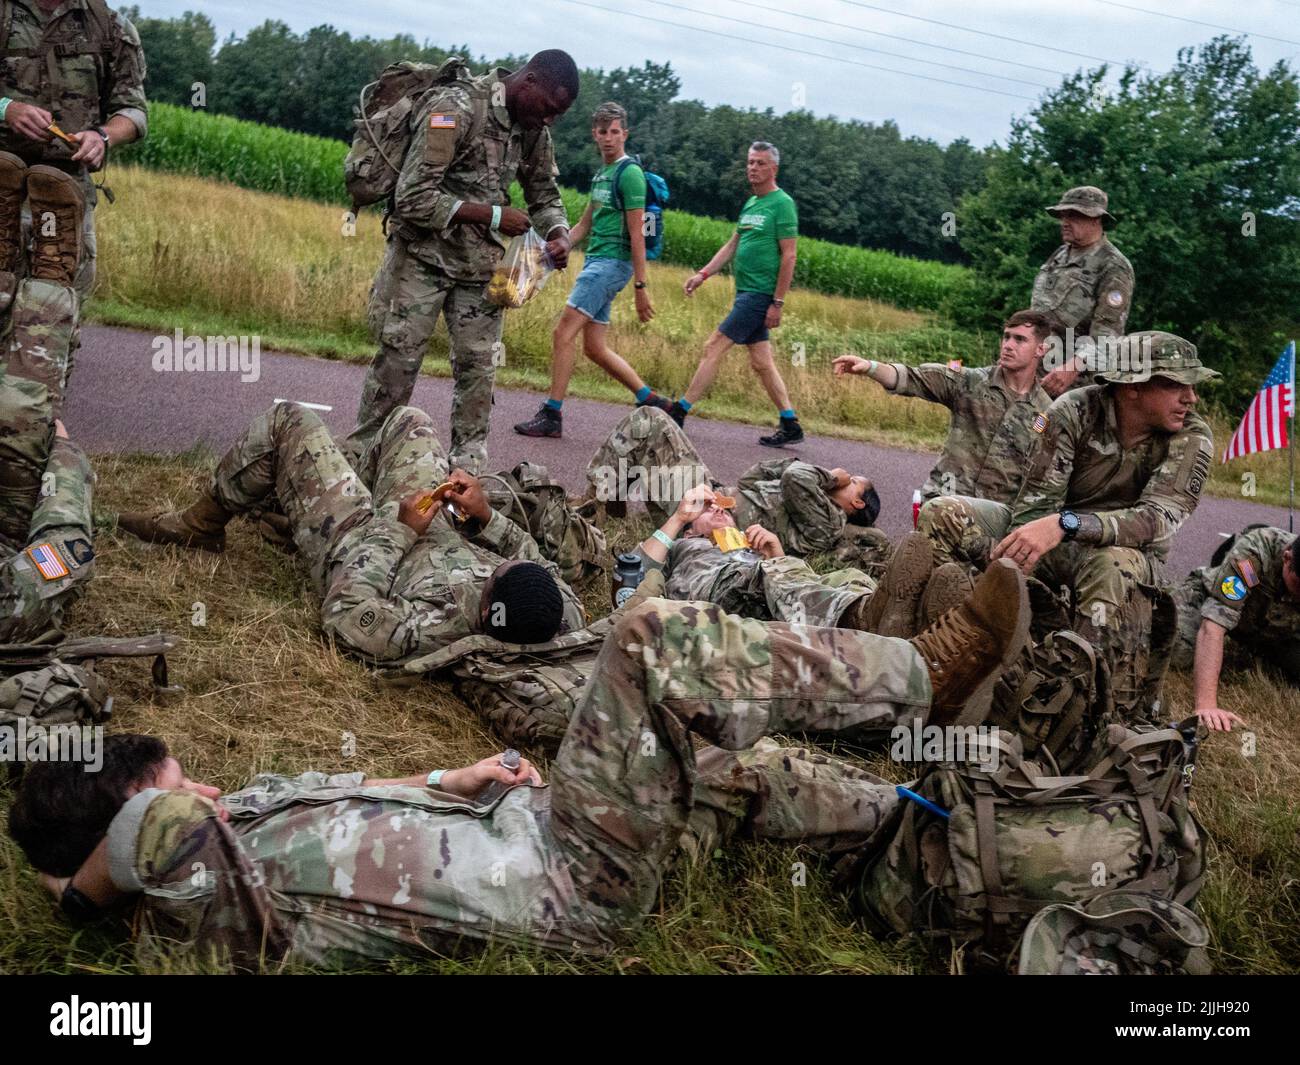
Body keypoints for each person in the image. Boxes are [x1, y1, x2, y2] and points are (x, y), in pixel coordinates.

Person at [10, 561, 1031, 969]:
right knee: (645, 641)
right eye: (181, 790)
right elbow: (118, 863)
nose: (207, 793)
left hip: (529, 835)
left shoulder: (231, 830)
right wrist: (76, 890)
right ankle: (912, 674)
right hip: (563, 895)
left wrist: (451, 781)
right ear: (129, 841)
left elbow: (359, 801)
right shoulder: (198, 894)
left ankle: (915, 837)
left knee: (723, 759)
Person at [117, 402, 583, 662]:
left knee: (290, 420)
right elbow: (540, 569)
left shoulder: (428, 627)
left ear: (485, 609)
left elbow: (345, 613)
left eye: (494, 573)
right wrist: (485, 517)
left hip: (362, 543)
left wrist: (397, 533)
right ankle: (297, 500)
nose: (494, 566)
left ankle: (201, 525)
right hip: (428, 520)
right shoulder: (552, 612)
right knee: (411, 420)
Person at [347, 50, 578, 473]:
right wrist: (492, 215)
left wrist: (558, 232)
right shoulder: (453, 108)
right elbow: (413, 198)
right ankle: (361, 467)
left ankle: (465, 478)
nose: (549, 122)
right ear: (527, 82)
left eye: (558, 116)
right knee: (397, 366)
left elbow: (544, 194)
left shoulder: (532, 131)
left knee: (478, 373)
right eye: (548, 109)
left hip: (479, 273)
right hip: (420, 261)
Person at [981, 331, 1217, 720]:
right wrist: (1020, 561)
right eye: (1175, 384)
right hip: (1058, 542)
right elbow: (1035, 507)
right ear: (1131, 388)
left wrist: (1067, 523)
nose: (1190, 398)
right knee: (950, 514)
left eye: (1191, 385)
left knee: (1111, 563)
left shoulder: (1192, 436)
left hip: (1129, 560)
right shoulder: (1073, 410)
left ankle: (1073, 702)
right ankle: (945, 640)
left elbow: (1156, 521)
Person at [0, 0, 148, 383]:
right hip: (3, 185)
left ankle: (41, 426)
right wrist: (6, 109)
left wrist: (103, 136)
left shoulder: (111, 27)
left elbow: (133, 111)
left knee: (57, 319)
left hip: (66, 194)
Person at [514, 101, 670, 438]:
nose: (609, 138)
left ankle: (552, 414)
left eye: (615, 132)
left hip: (611, 264)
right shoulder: (602, 174)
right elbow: (586, 222)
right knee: (594, 348)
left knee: (562, 334)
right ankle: (653, 400)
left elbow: (636, 233)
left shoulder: (629, 175)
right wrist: (557, 246)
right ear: (594, 135)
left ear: (625, 134)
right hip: (597, 261)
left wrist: (641, 287)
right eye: (603, 132)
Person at [833, 308, 1055, 513]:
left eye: (1020, 339)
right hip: (943, 503)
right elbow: (914, 378)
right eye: (1006, 336)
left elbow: (1042, 478)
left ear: (1041, 349)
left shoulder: (1048, 412)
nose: (1008, 345)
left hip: (993, 516)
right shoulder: (970, 382)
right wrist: (871, 367)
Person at [583, 406, 878, 556]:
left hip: (703, 519)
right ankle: (609, 494)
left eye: (852, 481)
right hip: (713, 496)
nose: (845, 476)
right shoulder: (815, 496)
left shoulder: (829, 521)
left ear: (857, 501)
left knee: (649, 421)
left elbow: (793, 477)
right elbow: (753, 477)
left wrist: (830, 476)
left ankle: (588, 516)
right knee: (654, 428)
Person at [673, 141, 802, 447]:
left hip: (760, 295)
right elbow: (732, 245)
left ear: (774, 168)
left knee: (713, 346)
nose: (753, 168)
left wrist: (777, 303)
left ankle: (679, 411)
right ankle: (790, 422)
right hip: (745, 291)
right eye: (750, 162)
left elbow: (789, 256)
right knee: (761, 362)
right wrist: (703, 274)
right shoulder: (751, 204)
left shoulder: (782, 204)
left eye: (760, 163)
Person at [632, 484, 879, 629]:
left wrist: (776, 554)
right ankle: (861, 620)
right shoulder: (685, 545)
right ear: (689, 533)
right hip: (718, 589)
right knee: (765, 577)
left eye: (724, 510)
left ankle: (878, 608)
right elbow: (636, 569)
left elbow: (793, 579)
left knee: (851, 576)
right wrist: (678, 518)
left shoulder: (750, 548)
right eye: (707, 510)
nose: (718, 508)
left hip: (762, 593)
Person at [1171, 525, 1300, 730]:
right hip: (1218, 603)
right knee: (1179, 653)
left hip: (1277, 627)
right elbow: (1213, 624)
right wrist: (1206, 706)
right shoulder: (1256, 552)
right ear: (1287, 558)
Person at [1030, 185, 1135, 398]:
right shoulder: (1060, 254)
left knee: (1050, 429)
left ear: (1096, 219)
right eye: (1063, 215)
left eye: (1075, 215)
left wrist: (1072, 367)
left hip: (1073, 383)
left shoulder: (1113, 266)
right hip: (1037, 368)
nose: (1065, 222)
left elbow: (1107, 334)